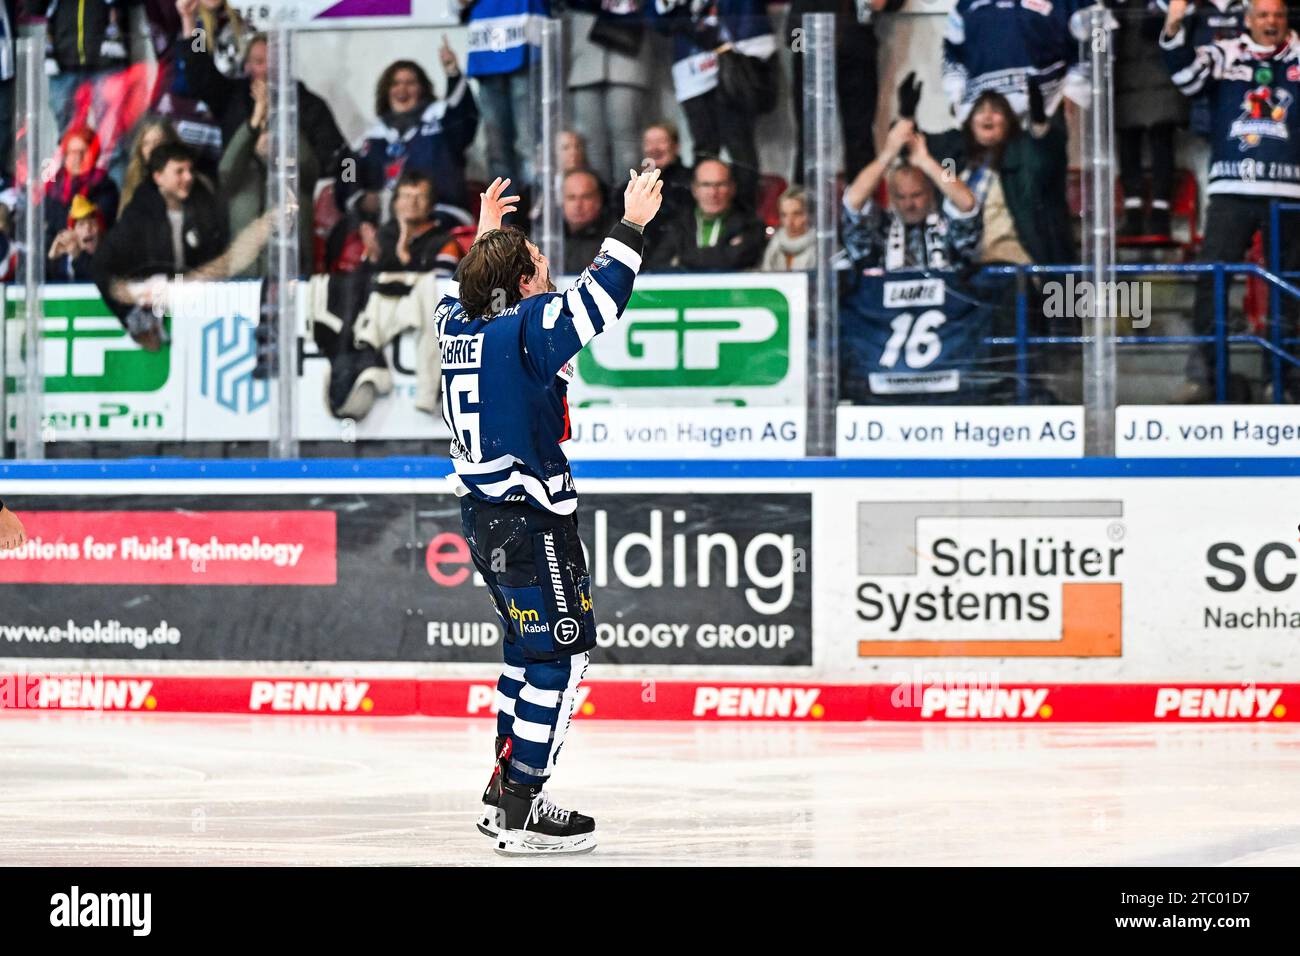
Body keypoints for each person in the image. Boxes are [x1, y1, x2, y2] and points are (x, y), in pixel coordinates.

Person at [438, 168, 663, 854]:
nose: (548, 271)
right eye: (539, 264)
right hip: (528, 521)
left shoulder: (456, 324)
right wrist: (631, 224)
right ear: (524, 287)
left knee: (523, 652)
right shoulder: (528, 329)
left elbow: (469, 288)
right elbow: (600, 298)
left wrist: (485, 235)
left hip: (483, 519)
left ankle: (505, 784)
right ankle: (519, 803)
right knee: (560, 658)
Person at [1161, 0, 1300, 397]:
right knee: (1212, 281)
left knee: (1288, 289)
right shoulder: (1225, 53)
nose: (1271, 22)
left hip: (1290, 194)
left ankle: (1283, 378)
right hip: (1231, 190)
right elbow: (1186, 80)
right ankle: (1213, 376)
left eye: (1278, 15)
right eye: (1263, 15)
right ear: (1248, 19)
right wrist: (1174, 27)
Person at [93, 142, 230, 347]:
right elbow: (101, 266)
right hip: (158, 331)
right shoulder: (139, 217)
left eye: (190, 170)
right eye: (179, 171)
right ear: (158, 177)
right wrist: (133, 315)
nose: (188, 177)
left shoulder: (202, 209)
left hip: (201, 324)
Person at [651, 0, 777, 211]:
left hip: (735, 58)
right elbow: (659, 23)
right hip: (691, 69)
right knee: (705, 149)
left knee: (739, 146)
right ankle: (704, 219)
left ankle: (744, 217)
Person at [339, 44, 479, 218]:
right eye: (395, 83)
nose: (402, 89)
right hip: (386, 220)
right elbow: (347, 168)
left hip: (441, 213)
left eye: (410, 83)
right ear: (386, 90)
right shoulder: (370, 136)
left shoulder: (441, 120)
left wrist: (453, 73)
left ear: (422, 88)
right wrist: (359, 197)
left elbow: (464, 115)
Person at [786, 0, 905, 183]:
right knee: (810, 135)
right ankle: (803, 204)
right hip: (808, 41)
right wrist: (797, 42)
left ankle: (862, 203)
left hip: (854, 44)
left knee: (859, 137)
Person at [841, 120, 982, 273]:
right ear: (892, 197)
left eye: (916, 195)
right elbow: (853, 201)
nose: (909, 204)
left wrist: (925, 161)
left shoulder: (946, 227)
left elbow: (967, 203)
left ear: (929, 191)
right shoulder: (880, 229)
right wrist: (887, 155)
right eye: (901, 196)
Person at [648, 158, 766, 271]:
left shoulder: (750, 225)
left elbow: (736, 260)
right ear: (694, 189)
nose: (713, 193)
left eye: (720, 184)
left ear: (732, 188)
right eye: (706, 185)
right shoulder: (677, 225)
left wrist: (681, 260)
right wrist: (721, 254)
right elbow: (658, 264)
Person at [360, 170, 463, 274]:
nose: (412, 202)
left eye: (420, 197)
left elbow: (441, 285)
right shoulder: (381, 236)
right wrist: (373, 260)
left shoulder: (445, 242)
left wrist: (405, 257)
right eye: (406, 196)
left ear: (431, 205)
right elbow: (359, 284)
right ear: (395, 203)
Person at [43, 127, 119, 251]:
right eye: (72, 152)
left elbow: (97, 227)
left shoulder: (105, 186)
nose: (78, 158)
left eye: (83, 152)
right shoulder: (53, 186)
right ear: (65, 156)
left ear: (94, 155)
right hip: (56, 257)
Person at [121, 118, 182, 210]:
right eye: (146, 143)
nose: (151, 149)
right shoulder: (133, 176)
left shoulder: (185, 178)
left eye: (158, 142)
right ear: (140, 149)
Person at [562, 169, 611, 273]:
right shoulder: (547, 238)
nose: (578, 205)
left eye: (586, 197)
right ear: (561, 201)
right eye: (571, 198)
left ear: (599, 200)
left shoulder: (615, 240)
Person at [48, 195, 104, 282]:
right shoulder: (64, 261)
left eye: (92, 223)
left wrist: (78, 256)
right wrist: (52, 260)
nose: (88, 229)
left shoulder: (109, 255)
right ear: (72, 232)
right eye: (81, 224)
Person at [760, 186, 816, 271]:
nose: (789, 222)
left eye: (796, 214)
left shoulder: (822, 249)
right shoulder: (773, 247)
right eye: (784, 215)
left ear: (809, 215)